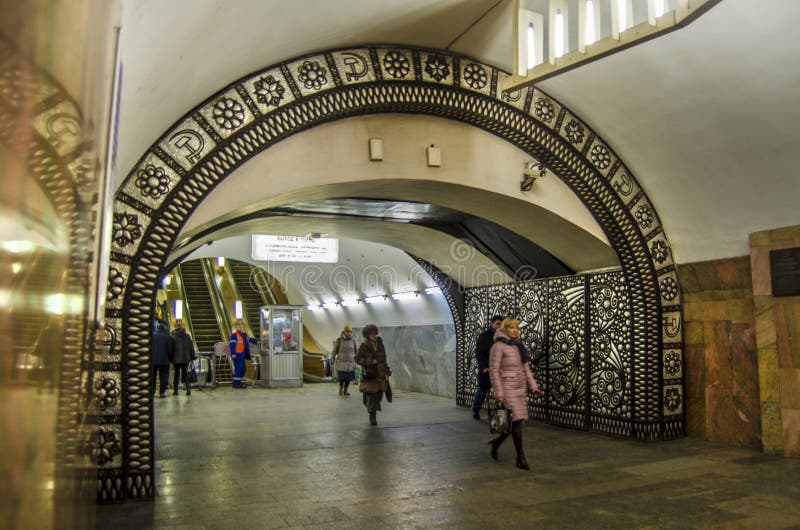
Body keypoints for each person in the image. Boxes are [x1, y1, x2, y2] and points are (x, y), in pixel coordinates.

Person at [488, 317, 541, 470]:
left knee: (512, 424)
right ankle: (520, 458)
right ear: (504, 329)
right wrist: (499, 392)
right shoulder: (498, 347)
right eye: (511, 328)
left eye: (517, 328)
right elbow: (494, 371)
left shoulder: (519, 345)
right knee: (516, 422)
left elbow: (526, 369)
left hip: (519, 387)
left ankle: (496, 443)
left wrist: (534, 386)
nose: (515, 330)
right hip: (507, 388)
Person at [355, 324, 390, 426]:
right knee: (371, 396)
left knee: (379, 395)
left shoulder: (380, 345)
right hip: (369, 375)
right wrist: (370, 361)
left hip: (380, 374)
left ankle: (371, 409)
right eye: (371, 334)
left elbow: (384, 358)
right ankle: (372, 416)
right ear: (367, 335)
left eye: (375, 333)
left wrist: (387, 369)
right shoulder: (363, 346)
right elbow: (357, 359)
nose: (374, 335)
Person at [472, 315, 504, 420]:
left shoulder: (505, 337)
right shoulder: (484, 336)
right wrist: (484, 367)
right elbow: (479, 353)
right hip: (488, 370)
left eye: (501, 324)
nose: (499, 326)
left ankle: (501, 417)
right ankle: (475, 410)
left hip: (501, 371)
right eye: (497, 324)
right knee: (482, 392)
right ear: (492, 324)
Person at [229, 321, 257, 389]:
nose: (240, 326)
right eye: (238, 325)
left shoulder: (244, 335)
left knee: (243, 369)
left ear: (243, 326)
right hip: (237, 355)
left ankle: (238, 382)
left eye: (241, 325)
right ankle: (236, 384)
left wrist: (257, 341)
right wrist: (233, 353)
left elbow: (250, 339)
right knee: (238, 370)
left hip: (242, 355)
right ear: (236, 327)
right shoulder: (234, 335)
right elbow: (232, 345)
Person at [171, 320, 195, 396]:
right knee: (186, 374)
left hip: (176, 359)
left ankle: (176, 391)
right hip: (186, 358)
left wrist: (170, 358)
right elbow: (191, 347)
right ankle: (188, 389)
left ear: (175, 327)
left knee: (176, 375)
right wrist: (192, 357)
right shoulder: (187, 336)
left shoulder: (173, 336)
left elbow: (171, 349)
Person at [332, 324, 357, 396]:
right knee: (341, 378)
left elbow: (356, 351)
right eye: (347, 331)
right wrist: (332, 359)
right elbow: (334, 351)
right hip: (341, 363)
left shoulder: (353, 341)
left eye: (350, 332)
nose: (348, 333)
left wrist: (358, 360)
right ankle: (340, 390)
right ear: (344, 332)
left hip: (350, 363)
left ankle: (346, 391)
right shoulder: (339, 340)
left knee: (348, 379)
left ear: (351, 333)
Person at [151, 320, 174, 398]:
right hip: (164, 360)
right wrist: (171, 359)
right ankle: (162, 392)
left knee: (152, 376)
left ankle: (152, 390)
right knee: (163, 376)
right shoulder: (167, 337)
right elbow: (170, 350)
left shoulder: (152, 336)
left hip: (153, 360)